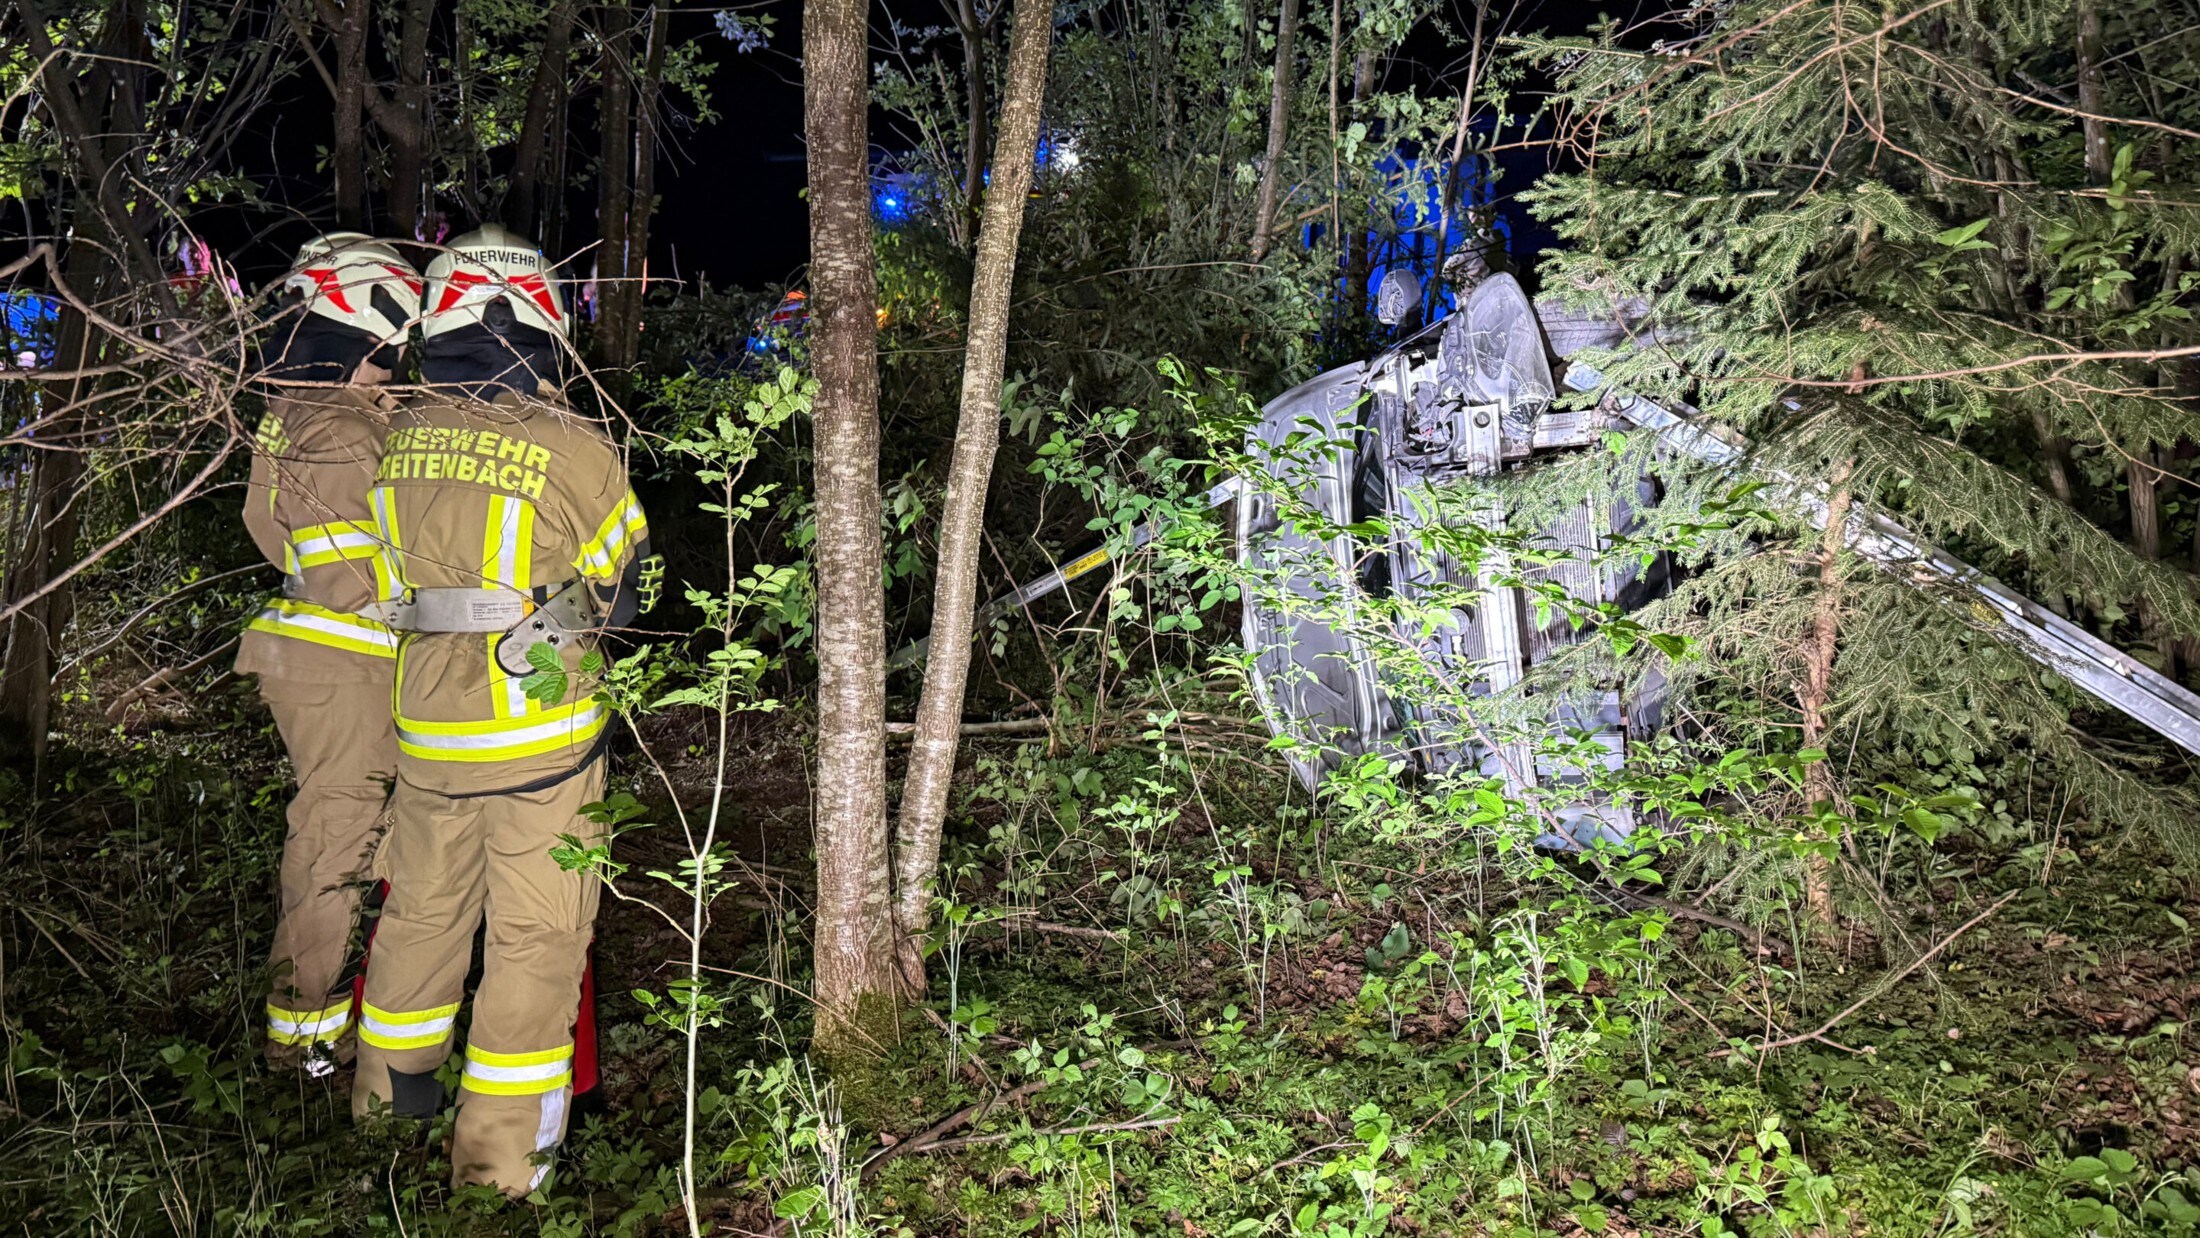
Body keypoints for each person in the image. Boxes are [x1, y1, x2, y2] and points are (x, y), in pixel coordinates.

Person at [352, 225, 649, 1194]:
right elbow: (622, 591)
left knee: (421, 924)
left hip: (429, 740)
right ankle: (492, 1178)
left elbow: (374, 578)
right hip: (542, 748)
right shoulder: (573, 445)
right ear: (537, 319)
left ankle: (387, 1126)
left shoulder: (393, 442)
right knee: (535, 942)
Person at [237, 233, 419, 1074]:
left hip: (324, 666)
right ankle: (302, 1043)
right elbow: (365, 574)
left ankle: (328, 1019)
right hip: (350, 666)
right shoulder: (341, 431)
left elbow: (270, 535)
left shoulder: (300, 415)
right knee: (337, 840)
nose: (397, 365)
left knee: (351, 835)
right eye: (390, 352)